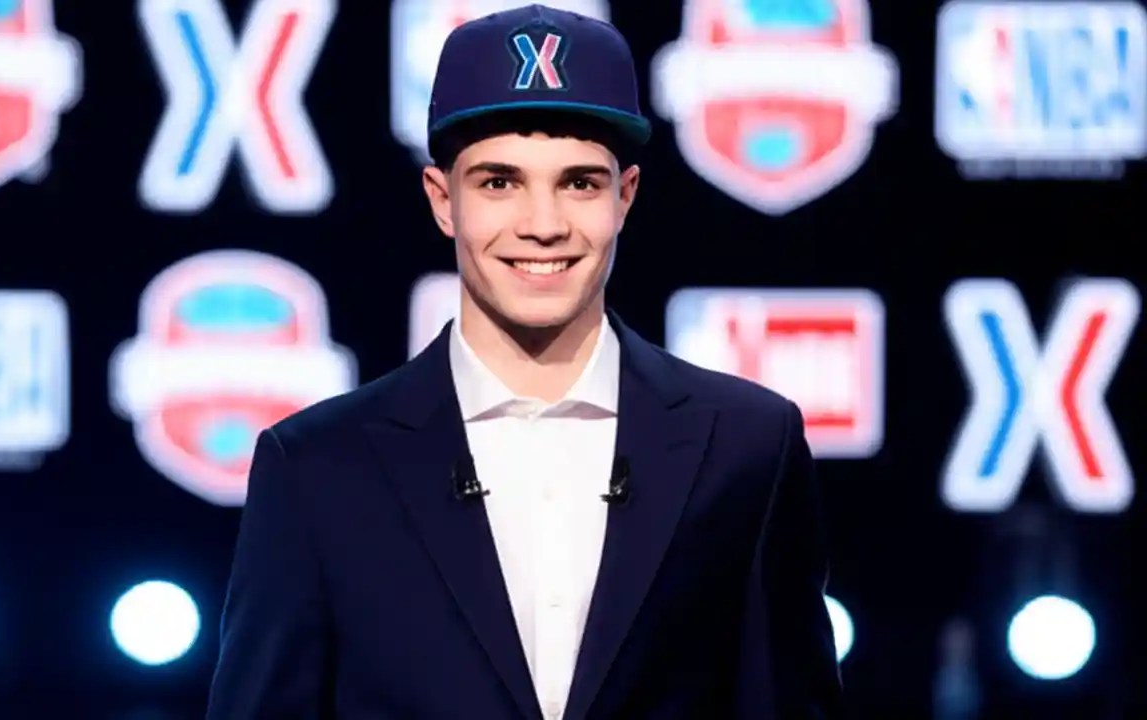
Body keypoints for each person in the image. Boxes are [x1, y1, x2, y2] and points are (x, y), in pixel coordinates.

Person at [205, 4, 844, 718]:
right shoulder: (318, 468)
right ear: (443, 200)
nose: (544, 226)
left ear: (625, 197)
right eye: (499, 182)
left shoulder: (746, 447)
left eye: (580, 183)